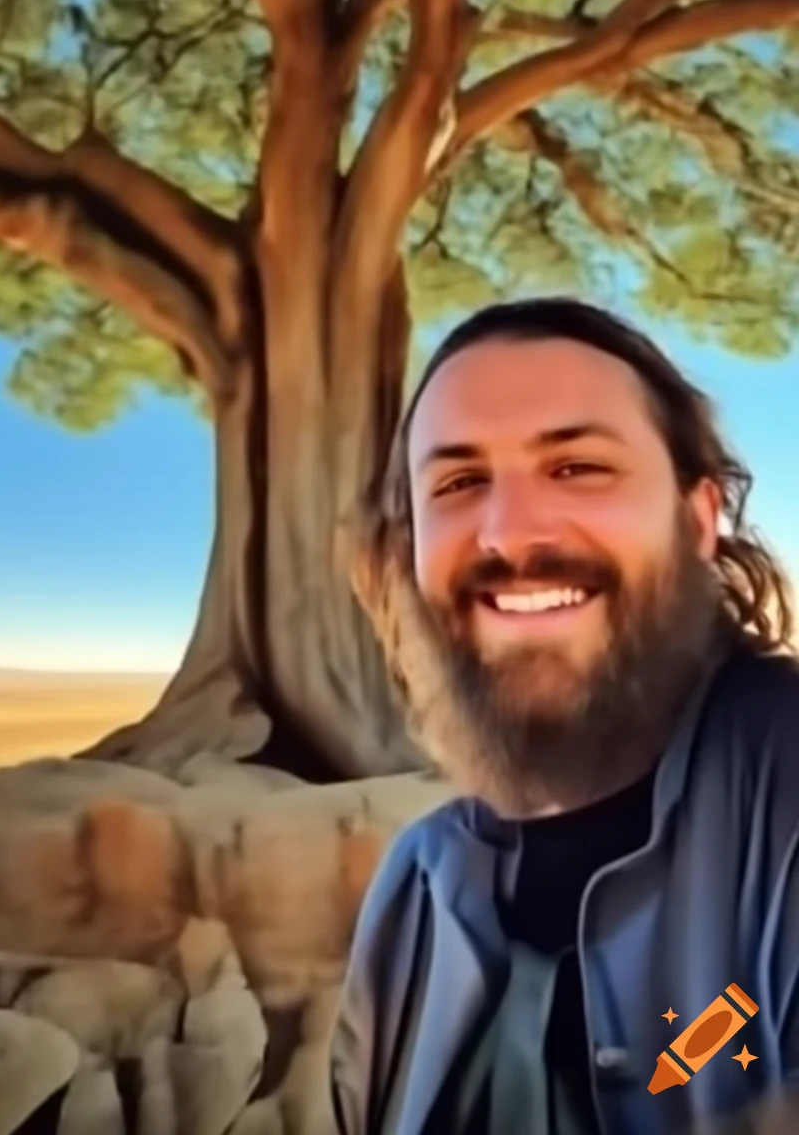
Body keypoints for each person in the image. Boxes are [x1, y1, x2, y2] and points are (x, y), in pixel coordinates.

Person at [329, 298, 799, 1135]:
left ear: (698, 521)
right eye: (460, 482)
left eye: (577, 467)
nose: (509, 535)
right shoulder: (417, 890)